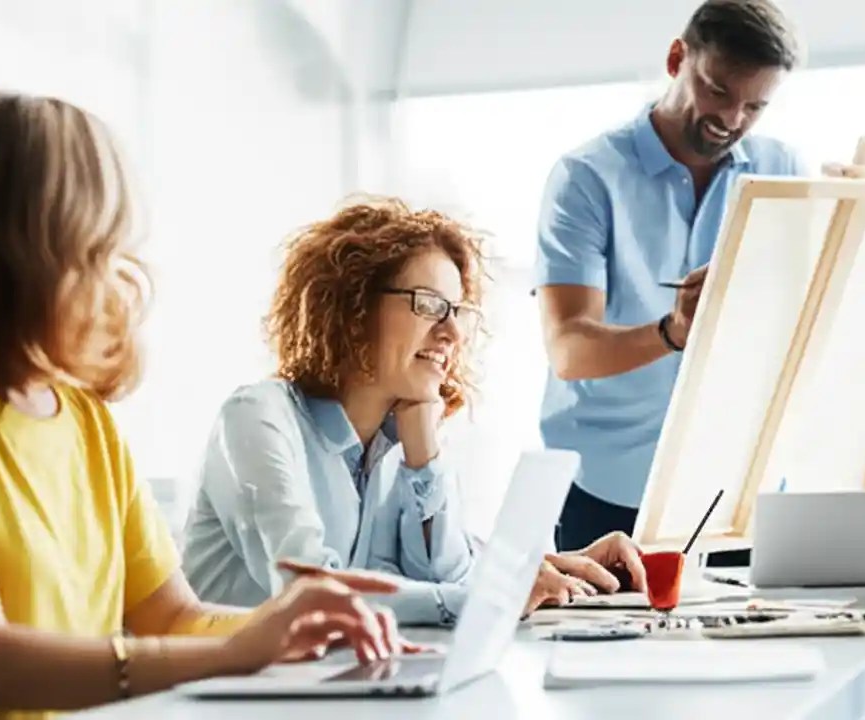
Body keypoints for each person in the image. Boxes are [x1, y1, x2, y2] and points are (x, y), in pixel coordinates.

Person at [0, 92, 411, 720]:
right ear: (26, 256)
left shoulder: (86, 421)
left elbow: (169, 616)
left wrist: (290, 628)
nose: (119, 276)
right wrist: (233, 653)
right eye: (98, 249)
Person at [182, 197, 648, 625]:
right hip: (230, 685)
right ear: (352, 310)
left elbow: (441, 571)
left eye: (457, 311)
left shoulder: (394, 442)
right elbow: (309, 590)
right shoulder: (257, 418)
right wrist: (492, 597)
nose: (453, 333)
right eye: (428, 305)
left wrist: (425, 455)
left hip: (333, 681)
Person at [534, 0, 807, 551]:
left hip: (735, 484)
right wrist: (672, 331)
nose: (732, 119)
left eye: (755, 106)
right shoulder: (586, 178)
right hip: (607, 484)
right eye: (717, 91)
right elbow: (569, 349)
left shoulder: (782, 171)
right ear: (676, 58)